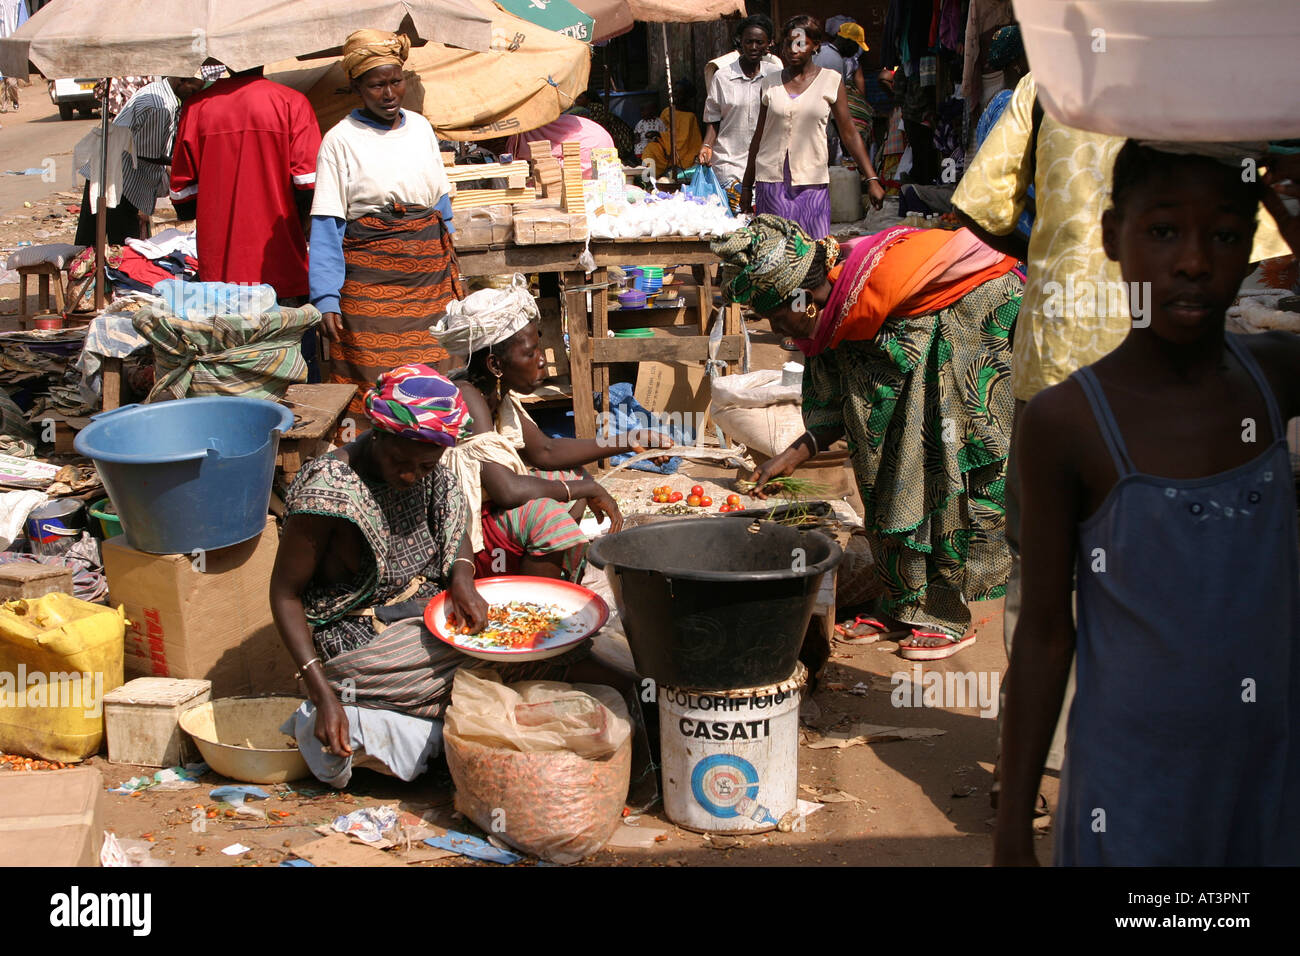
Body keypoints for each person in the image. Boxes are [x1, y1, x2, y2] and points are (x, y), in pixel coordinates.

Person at [952, 71, 1291, 804]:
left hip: (1061, 355)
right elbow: (1255, 233)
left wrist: (1056, 244)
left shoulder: (1044, 84)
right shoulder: (1208, 84)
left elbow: (983, 208)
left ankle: (1037, 770)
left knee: (1042, 578)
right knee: (1172, 578)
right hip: (1180, 372)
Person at [714, 215, 1022, 658]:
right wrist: (789, 456)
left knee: (938, 474)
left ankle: (947, 614)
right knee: (884, 475)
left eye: (775, 317)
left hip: (961, 342)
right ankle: (901, 602)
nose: (775, 331)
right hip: (910, 379)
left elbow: (898, 374)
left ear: (804, 301)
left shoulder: (888, 295)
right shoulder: (829, 315)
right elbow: (838, 401)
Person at [270, 365, 486, 778]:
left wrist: (461, 578)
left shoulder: (426, 463)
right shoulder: (329, 488)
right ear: (376, 432)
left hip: (424, 614)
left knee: (518, 644)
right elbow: (285, 595)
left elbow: (453, 520)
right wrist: (323, 694)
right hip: (359, 637)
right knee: (487, 676)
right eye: (398, 461)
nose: (410, 475)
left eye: (423, 467)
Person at [433, 278, 671, 580]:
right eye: (531, 353)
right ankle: (531, 598)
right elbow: (506, 491)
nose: (543, 361)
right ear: (495, 365)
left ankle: (540, 567)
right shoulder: (468, 397)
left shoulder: (496, 396)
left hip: (490, 511)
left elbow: (545, 450)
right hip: (466, 535)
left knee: (572, 475)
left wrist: (629, 439)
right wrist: (586, 488)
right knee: (551, 514)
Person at [309, 29, 462, 430]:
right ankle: (372, 466)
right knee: (372, 381)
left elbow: (441, 206)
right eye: (377, 85)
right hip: (370, 283)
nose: (390, 93)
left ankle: (434, 456)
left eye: (397, 81)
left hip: (428, 278)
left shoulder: (421, 129)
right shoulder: (339, 140)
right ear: (357, 87)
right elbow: (327, 224)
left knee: (432, 375)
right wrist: (326, 297)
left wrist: (451, 269)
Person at [168, 65, 321, 300]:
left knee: (224, 333)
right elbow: (308, 185)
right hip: (282, 261)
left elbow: (182, 194)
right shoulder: (294, 103)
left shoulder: (197, 107)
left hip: (219, 268)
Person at [742, 16, 886, 242]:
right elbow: (759, 137)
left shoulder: (830, 81)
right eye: (788, 43)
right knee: (772, 253)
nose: (793, 50)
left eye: (800, 43)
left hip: (811, 184)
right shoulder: (770, 83)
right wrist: (746, 186)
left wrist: (872, 179)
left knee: (813, 252)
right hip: (771, 184)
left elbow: (849, 133)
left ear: (815, 45)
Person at [74, 75, 204, 247]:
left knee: (90, 240)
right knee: (122, 247)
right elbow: (147, 153)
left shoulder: (155, 91)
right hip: (120, 181)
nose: (194, 95)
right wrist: (182, 165)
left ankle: (90, 270)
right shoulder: (161, 107)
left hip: (107, 171)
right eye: (193, 90)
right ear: (181, 81)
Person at [700, 14, 782, 213]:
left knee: (763, 222)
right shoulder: (723, 76)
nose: (754, 47)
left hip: (765, 163)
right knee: (735, 221)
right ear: (740, 43)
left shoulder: (775, 74)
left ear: (768, 44)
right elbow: (713, 118)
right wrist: (707, 145)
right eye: (749, 42)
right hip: (729, 162)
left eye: (759, 42)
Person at [506, 113, 614, 179]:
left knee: (571, 182)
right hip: (600, 140)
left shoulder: (519, 138)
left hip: (589, 148)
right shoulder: (541, 125)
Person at [640, 80, 703, 176]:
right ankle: (646, 178)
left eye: (680, 94)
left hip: (682, 152)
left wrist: (660, 135)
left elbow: (683, 140)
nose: (675, 96)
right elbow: (661, 128)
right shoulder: (666, 112)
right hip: (665, 147)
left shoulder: (690, 116)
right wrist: (658, 136)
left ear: (686, 97)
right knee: (650, 149)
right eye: (675, 92)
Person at [569, 90, 638, 165]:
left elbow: (594, 125)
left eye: (580, 98)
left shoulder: (595, 108)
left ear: (588, 99)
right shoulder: (588, 109)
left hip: (620, 136)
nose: (577, 100)